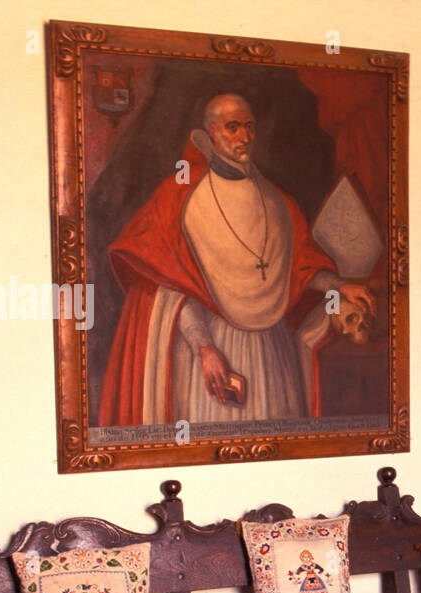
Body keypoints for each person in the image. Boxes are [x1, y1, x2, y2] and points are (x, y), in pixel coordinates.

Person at [99, 93, 374, 426]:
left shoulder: (277, 202)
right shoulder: (179, 198)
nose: (244, 137)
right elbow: (172, 287)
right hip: (212, 354)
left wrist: (340, 285)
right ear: (212, 133)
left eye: (249, 127)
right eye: (233, 127)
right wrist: (205, 349)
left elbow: (298, 268)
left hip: (272, 354)